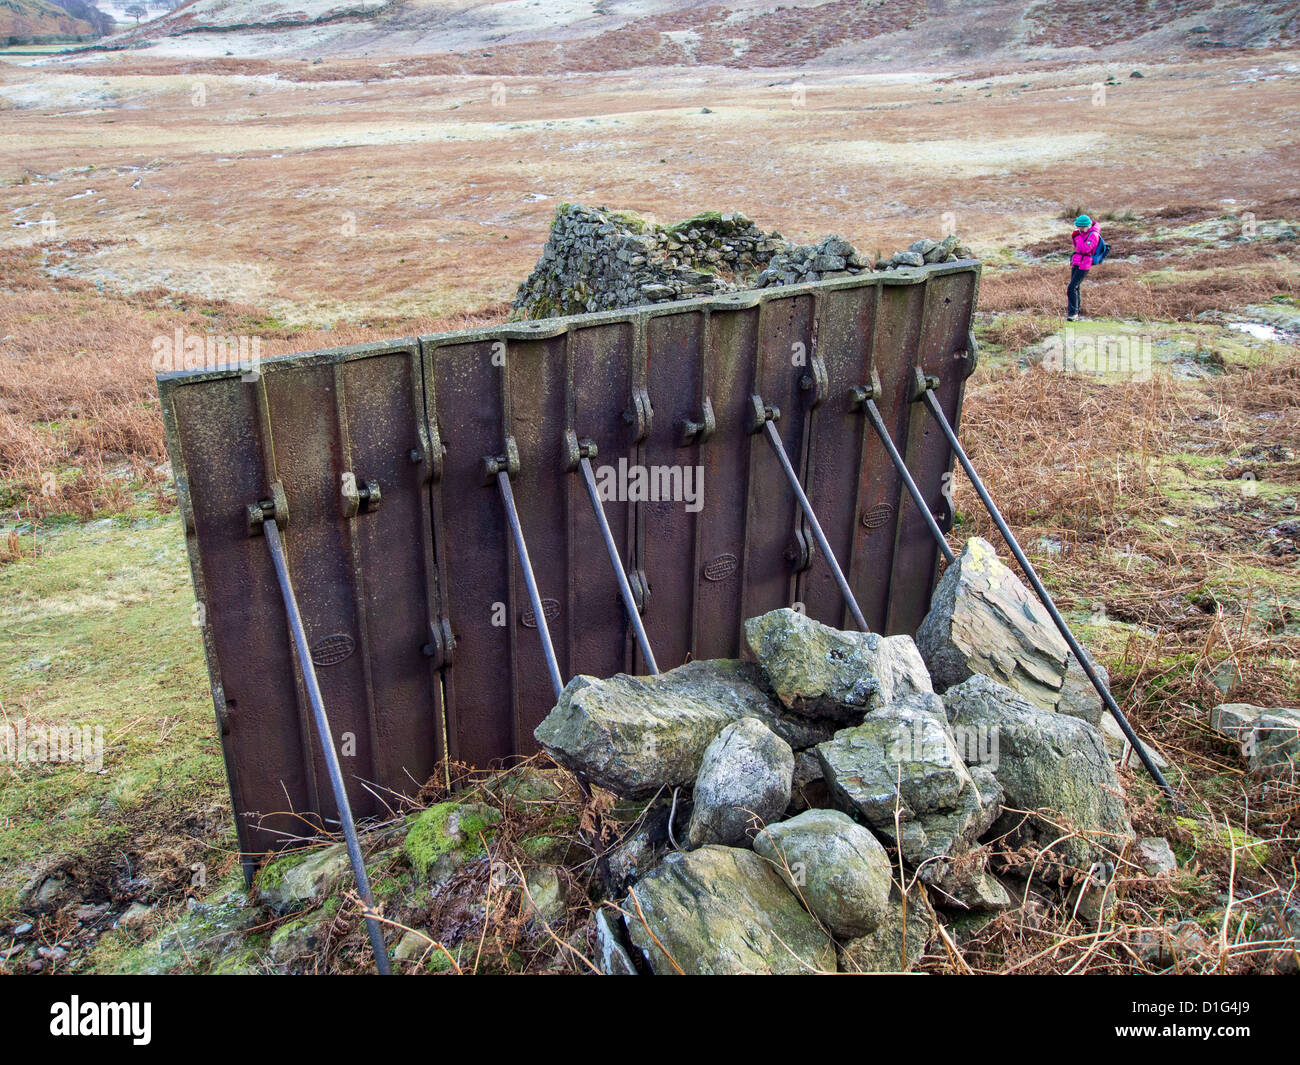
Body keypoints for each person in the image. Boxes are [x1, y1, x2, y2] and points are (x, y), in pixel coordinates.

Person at [1067, 214, 1100, 321]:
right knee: (1076, 287)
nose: (1078, 229)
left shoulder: (1093, 235)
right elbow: (1076, 247)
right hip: (1077, 261)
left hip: (1085, 263)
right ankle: (1076, 312)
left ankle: (1073, 314)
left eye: (1080, 227)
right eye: (1078, 227)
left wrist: (1077, 236)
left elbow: (1085, 249)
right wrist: (1076, 236)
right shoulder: (1082, 233)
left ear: (1086, 225)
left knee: (1071, 288)